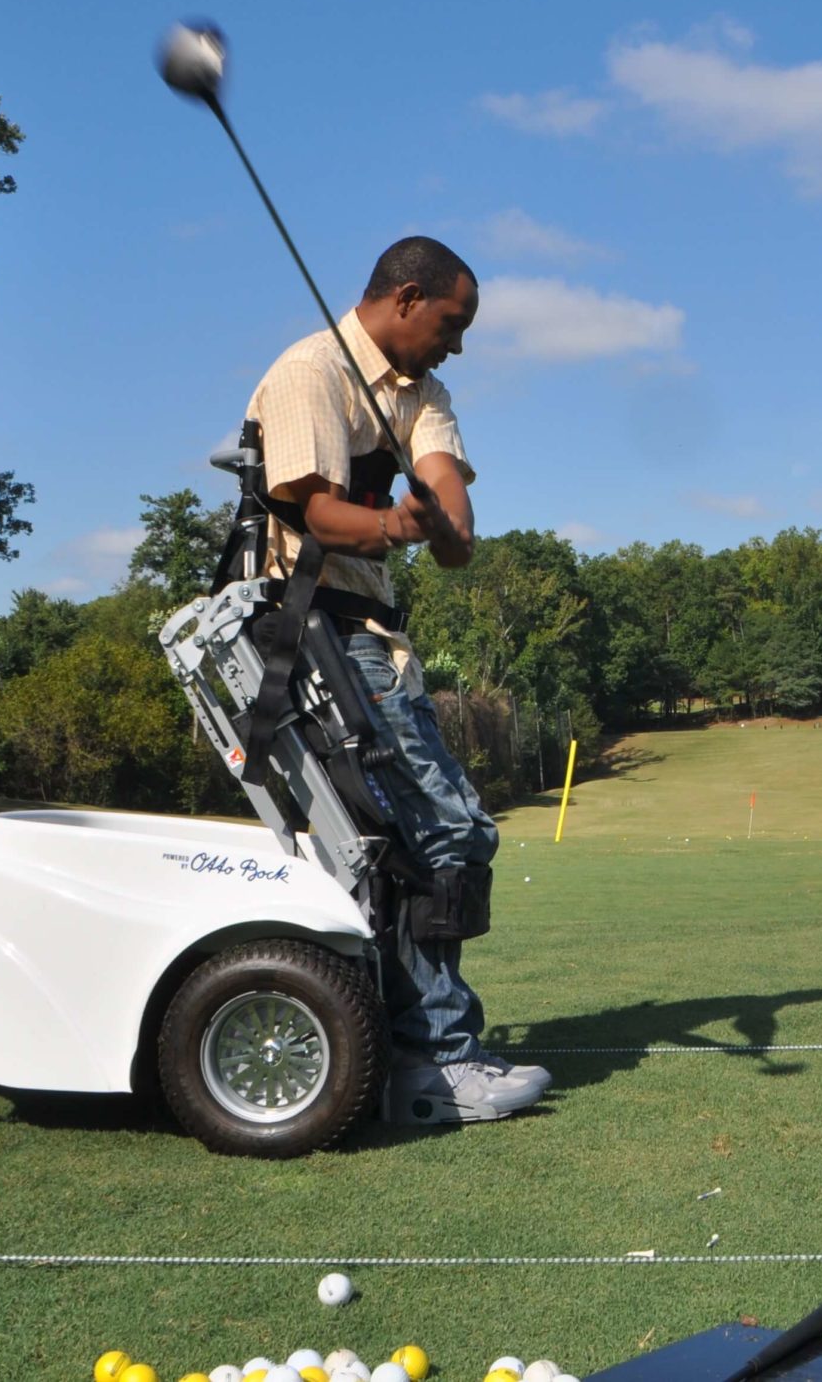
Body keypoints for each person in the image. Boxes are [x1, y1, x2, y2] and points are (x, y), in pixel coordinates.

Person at [244, 233, 550, 1125]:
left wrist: (440, 523)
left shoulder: (427, 394)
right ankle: (438, 1061)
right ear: (408, 299)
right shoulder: (310, 373)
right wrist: (399, 525)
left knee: (426, 843)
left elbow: (453, 514)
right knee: (447, 832)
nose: (457, 343)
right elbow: (317, 512)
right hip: (313, 625)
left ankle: (411, 1046)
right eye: (451, 324)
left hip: (374, 635)